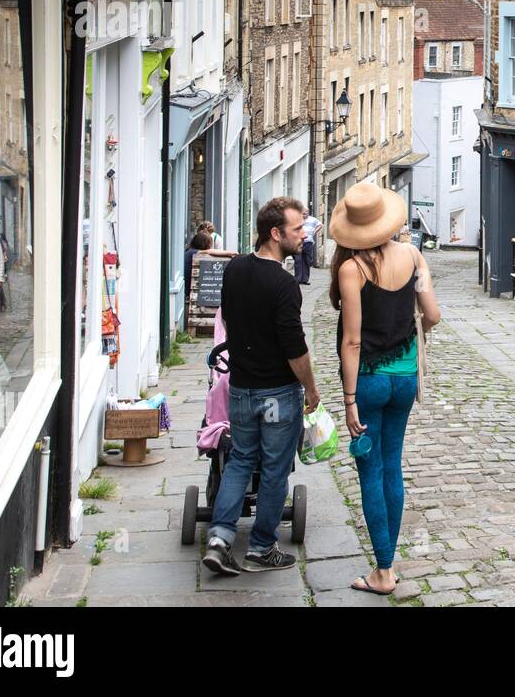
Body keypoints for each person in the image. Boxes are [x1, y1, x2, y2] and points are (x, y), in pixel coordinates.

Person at [330, 182, 440, 596]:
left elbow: (353, 342)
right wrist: (406, 333)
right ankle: (387, 563)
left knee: (369, 470)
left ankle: (382, 571)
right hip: (405, 379)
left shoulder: (351, 269)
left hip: (370, 382)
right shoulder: (413, 256)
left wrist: (349, 399)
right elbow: (432, 315)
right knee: (392, 465)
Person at [203, 197, 321, 577]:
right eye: (297, 229)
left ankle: (220, 539)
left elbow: (232, 323)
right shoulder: (285, 285)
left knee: (239, 459)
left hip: (240, 388)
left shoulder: (235, 270)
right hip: (277, 394)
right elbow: (295, 349)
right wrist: (312, 389)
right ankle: (260, 547)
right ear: (275, 234)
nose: (304, 235)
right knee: (273, 470)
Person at [185, 231, 235, 305]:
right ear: (204, 244)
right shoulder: (194, 252)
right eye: (209, 244)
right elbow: (209, 251)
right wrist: (230, 253)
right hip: (186, 290)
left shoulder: (189, 251)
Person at [295, 206, 322, 285]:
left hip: (308, 243)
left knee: (307, 261)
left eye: (306, 213)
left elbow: (320, 225)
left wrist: (314, 232)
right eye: (303, 213)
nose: (304, 215)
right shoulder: (297, 219)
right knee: (298, 261)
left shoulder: (313, 219)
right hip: (298, 242)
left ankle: (305, 279)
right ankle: (297, 279)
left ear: (308, 212)